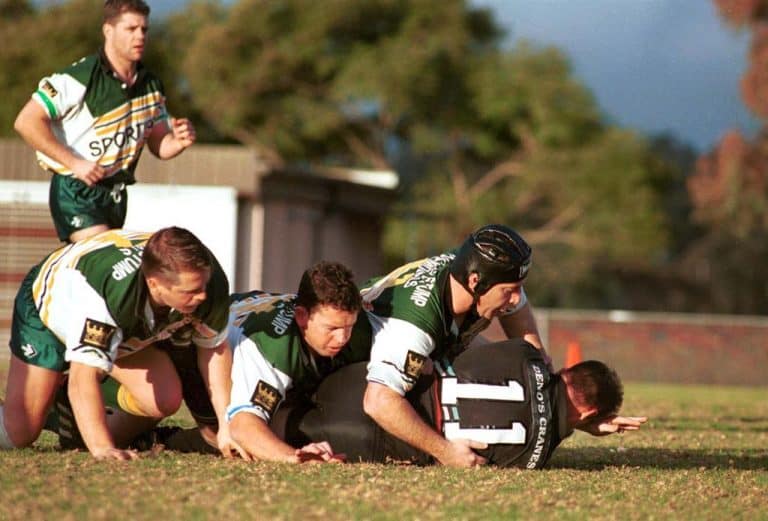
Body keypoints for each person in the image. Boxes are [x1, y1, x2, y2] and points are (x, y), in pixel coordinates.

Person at [361, 224, 641, 467]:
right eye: (509, 290)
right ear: (475, 281)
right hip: (346, 360)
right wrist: (445, 452)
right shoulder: (412, 328)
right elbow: (378, 402)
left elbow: (535, 359)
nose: (515, 299)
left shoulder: (475, 277)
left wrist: (573, 413)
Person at [0, 227, 239, 460]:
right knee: (20, 433)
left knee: (164, 398)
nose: (202, 296)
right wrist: (103, 449)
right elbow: (83, 378)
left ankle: (66, 408)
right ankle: (59, 402)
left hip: (116, 322)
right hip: (47, 307)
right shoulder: (106, 296)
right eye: (190, 291)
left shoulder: (210, 279)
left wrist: (227, 425)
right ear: (154, 284)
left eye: (203, 285)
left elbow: (214, 351)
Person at [285, 339, 646, 468]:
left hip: (372, 384)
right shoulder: (537, 458)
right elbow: (547, 423)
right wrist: (580, 424)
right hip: (377, 442)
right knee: (283, 434)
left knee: (280, 397)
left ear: (567, 370)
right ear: (590, 413)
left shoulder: (525, 354)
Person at [13, 0, 196, 243]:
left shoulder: (151, 85)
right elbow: (26, 122)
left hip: (116, 195)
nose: (140, 36)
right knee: (108, 257)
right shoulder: (80, 77)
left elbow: (159, 145)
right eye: (131, 29)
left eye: (144, 29)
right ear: (108, 31)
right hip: (77, 189)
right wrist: (75, 162)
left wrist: (179, 141)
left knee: (99, 267)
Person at [225, 261, 372, 463]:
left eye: (349, 326)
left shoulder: (359, 327)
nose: (342, 338)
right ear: (302, 316)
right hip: (198, 353)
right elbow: (242, 425)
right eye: (332, 328)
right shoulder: (273, 346)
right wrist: (295, 458)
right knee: (232, 438)